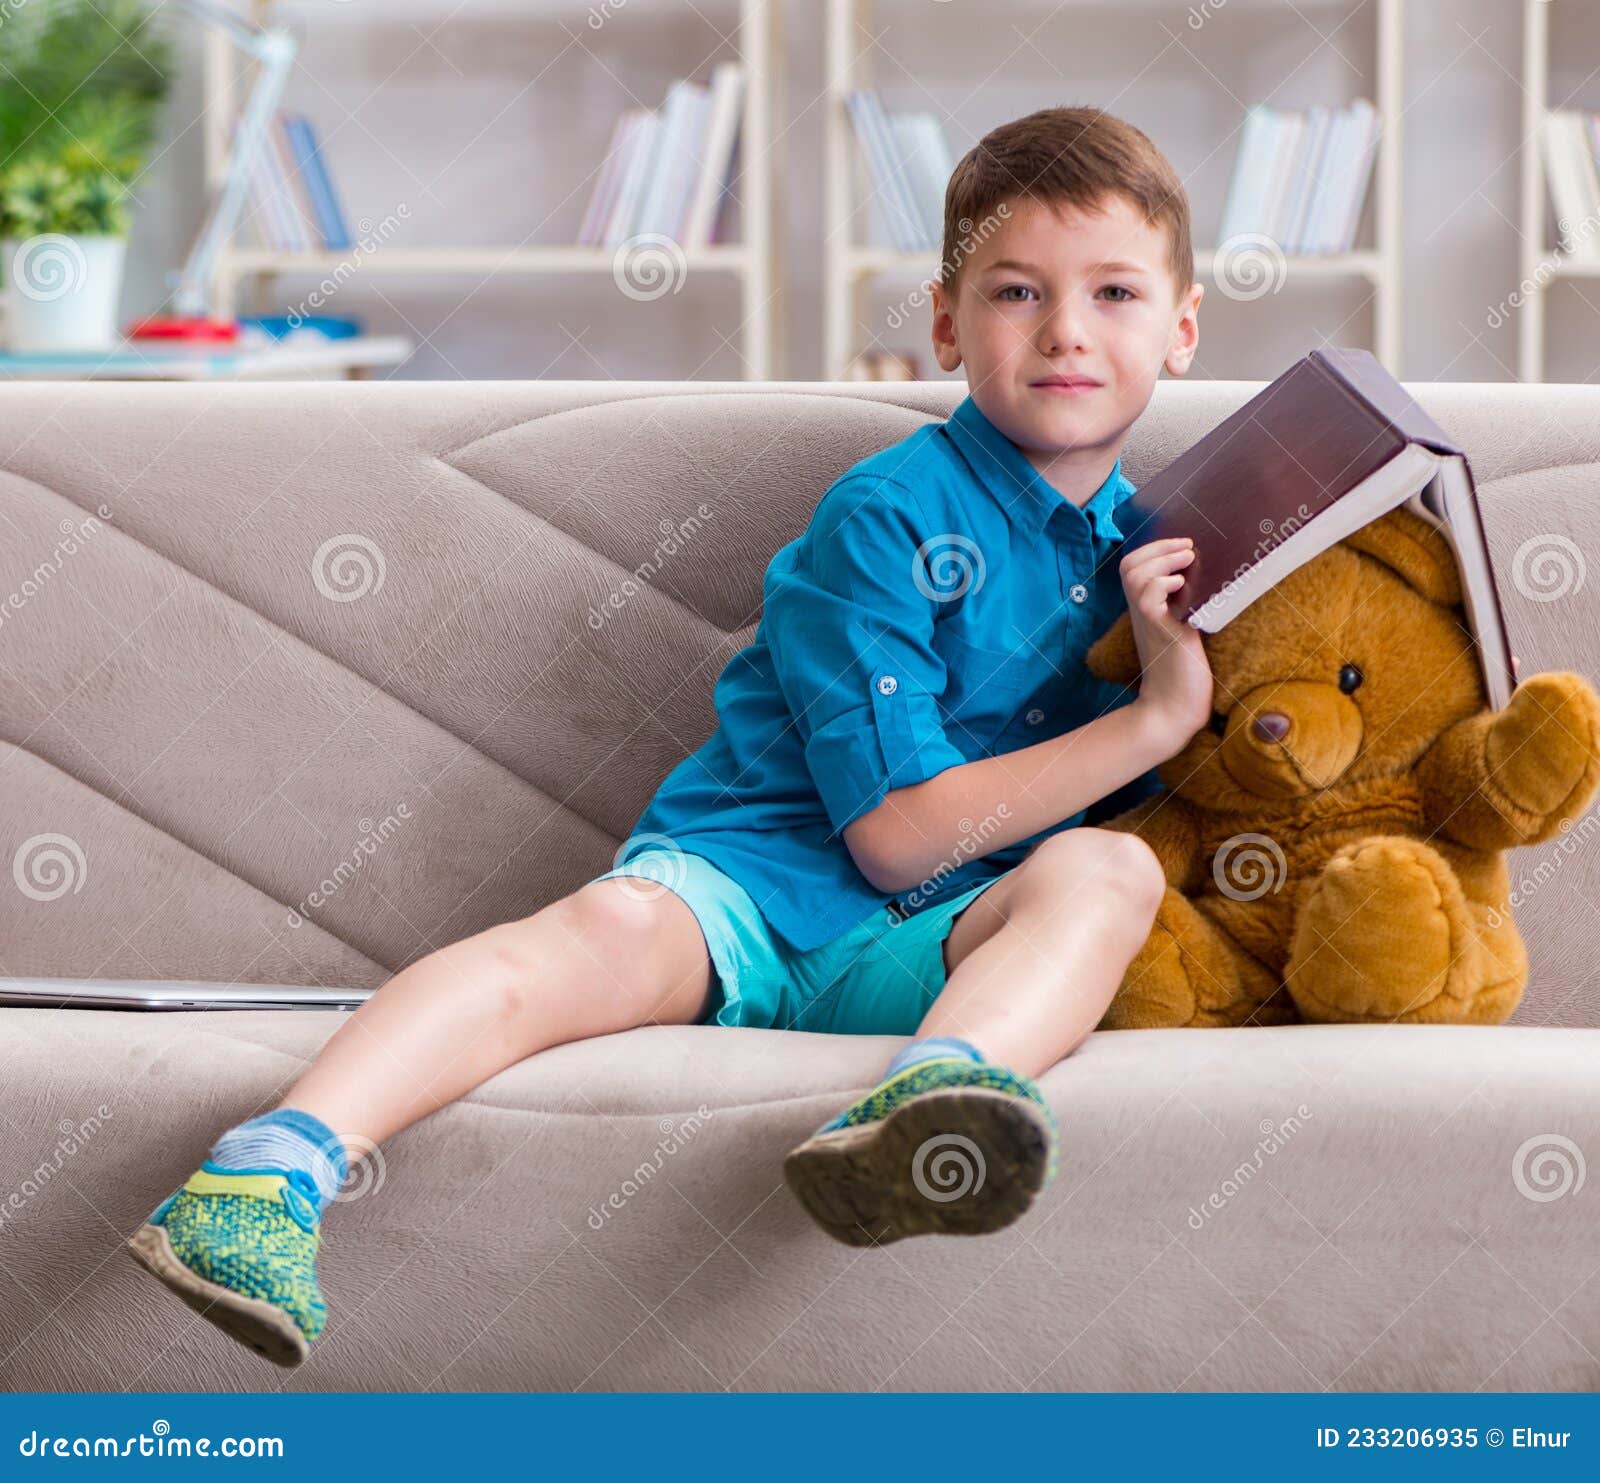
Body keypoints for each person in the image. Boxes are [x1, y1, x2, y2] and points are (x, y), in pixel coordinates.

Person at [126, 104, 1212, 1367]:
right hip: (747, 891)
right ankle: (270, 1172)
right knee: (594, 933)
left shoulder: (1161, 549)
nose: (1068, 330)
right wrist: (1153, 720)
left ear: (1181, 328)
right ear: (942, 323)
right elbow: (900, 837)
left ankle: (938, 1096)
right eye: (1017, 290)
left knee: (1110, 871)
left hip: (941, 949)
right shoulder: (887, 515)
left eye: (1116, 292)